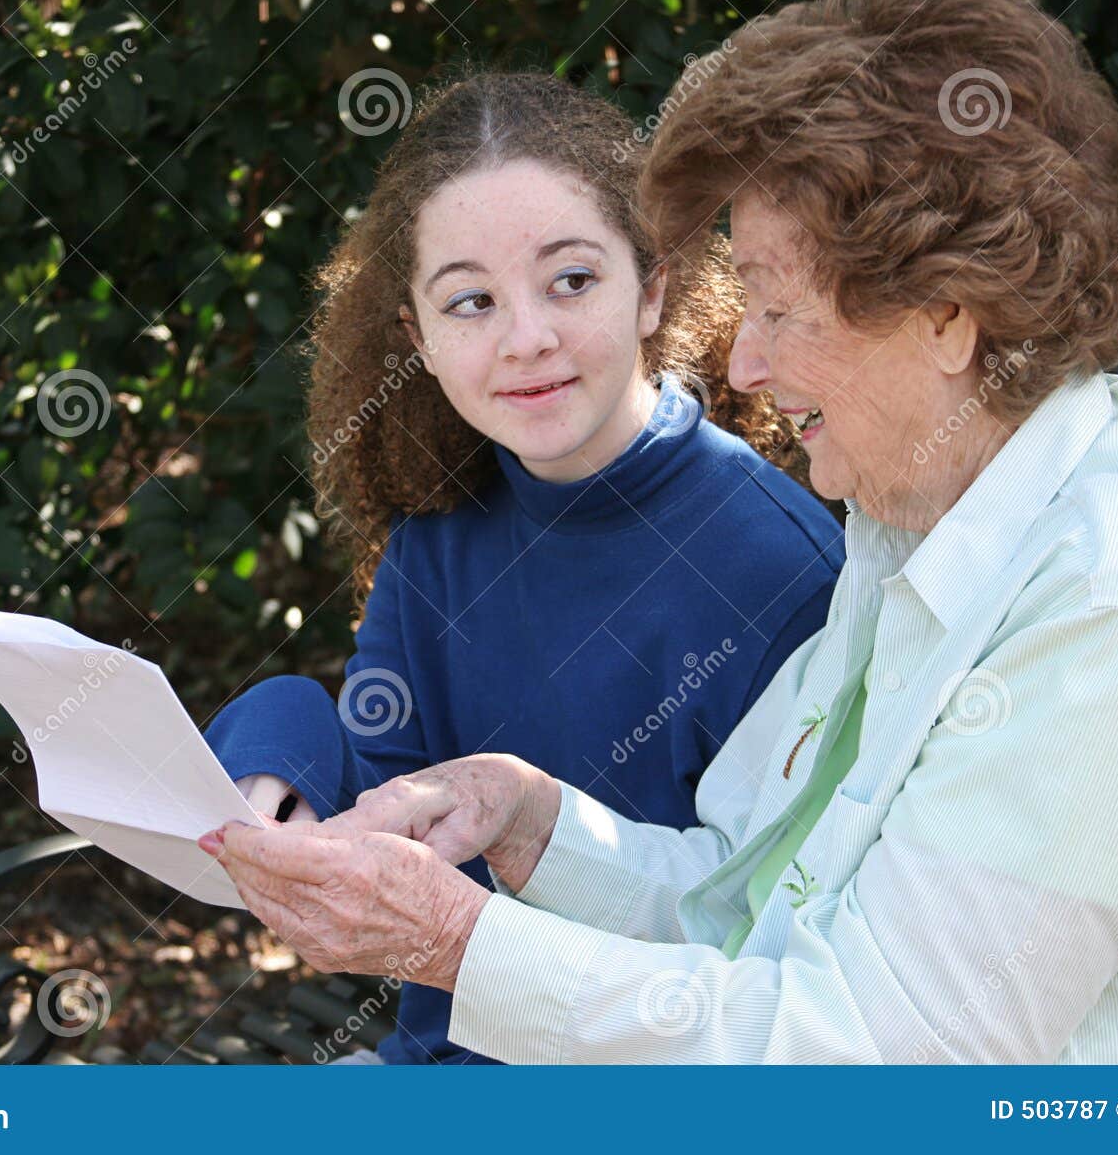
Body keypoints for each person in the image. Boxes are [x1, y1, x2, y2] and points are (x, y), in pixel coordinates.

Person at [201, 0, 1118, 1063]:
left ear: (944, 311)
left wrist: (460, 943)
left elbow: (868, 1067)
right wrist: (528, 817)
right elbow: (741, 896)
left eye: (778, 308)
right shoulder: (919, 533)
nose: (740, 360)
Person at [200, 72, 844, 1064]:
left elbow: (774, 949)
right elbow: (384, 793)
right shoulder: (443, 528)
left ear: (654, 284)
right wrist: (273, 753)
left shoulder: (779, 569)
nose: (527, 337)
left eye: (571, 280)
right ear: (417, 336)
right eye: (470, 301)